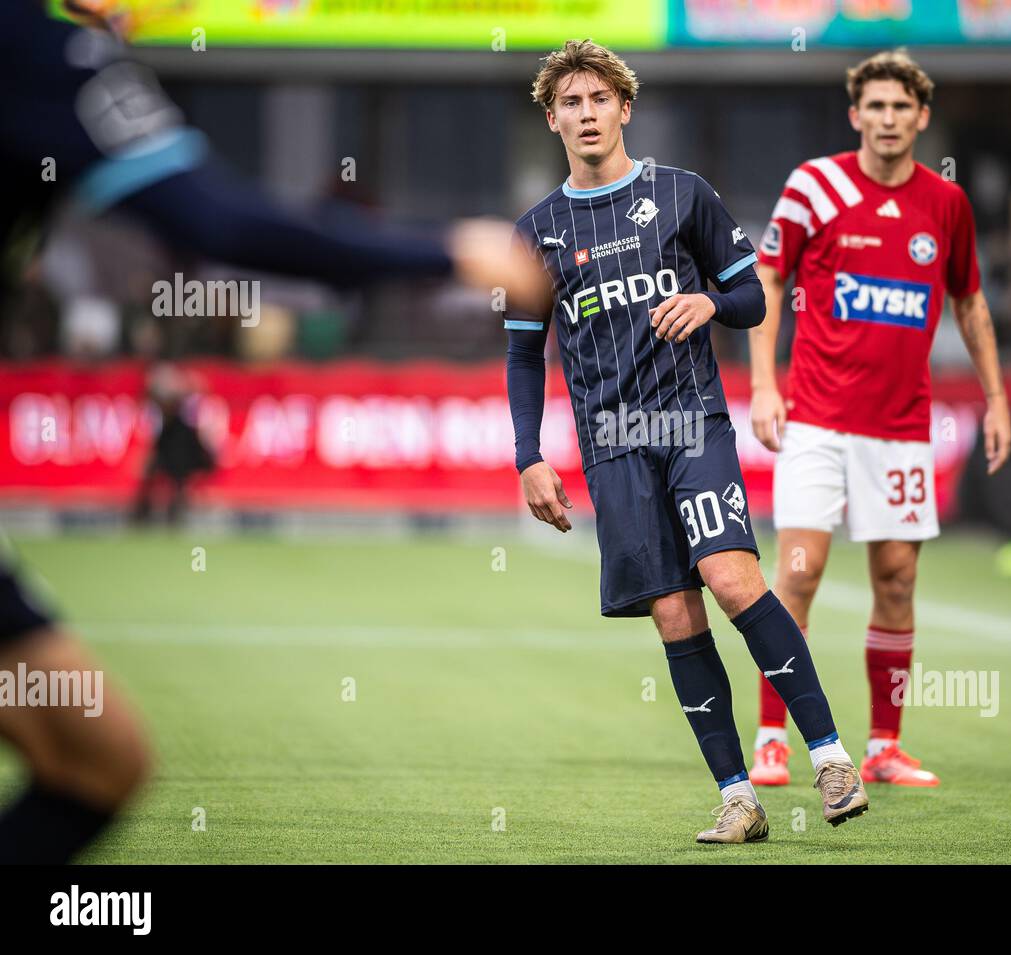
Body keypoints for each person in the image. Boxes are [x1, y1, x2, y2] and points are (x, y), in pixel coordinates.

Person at [0, 0, 547, 863]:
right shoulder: (47, 53)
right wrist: (450, 252)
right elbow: (224, 224)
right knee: (94, 763)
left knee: (95, 762)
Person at [504, 39, 868, 844]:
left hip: (690, 420)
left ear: (625, 108)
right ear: (553, 118)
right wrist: (529, 454)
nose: (588, 112)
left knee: (733, 580)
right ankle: (738, 796)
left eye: (601, 98)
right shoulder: (536, 230)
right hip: (613, 444)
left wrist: (708, 303)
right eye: (572, 101)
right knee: (673, 612)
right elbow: (524, 350)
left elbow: (750, 297)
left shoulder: (682, 194)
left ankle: (833, 756)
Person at [746, 49, 1011, 787]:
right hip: (817, 420)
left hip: (899, 427)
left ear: (921, 117)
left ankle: (884, 746)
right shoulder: (815, 185)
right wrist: (765, 383)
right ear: (855, 113)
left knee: (896, 580)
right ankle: (771, 737)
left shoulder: (947, 204)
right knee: (799, 573)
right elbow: (768, 279)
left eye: (902, 107)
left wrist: (994, 400)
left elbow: (970, 302)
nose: (888, 119)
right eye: (876, 106)